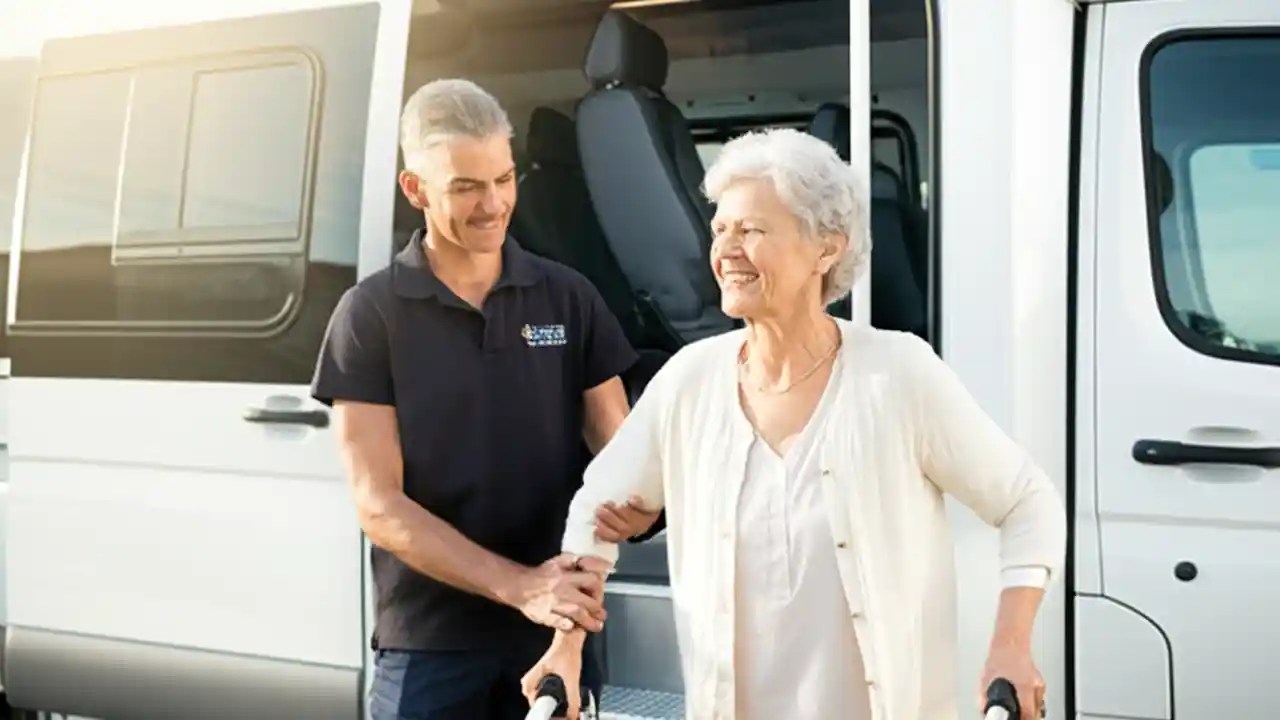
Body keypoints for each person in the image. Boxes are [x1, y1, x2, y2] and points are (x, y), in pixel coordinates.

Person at [522, 128, 1068, 720]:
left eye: (752, 230)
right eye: (719, 229)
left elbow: (1027, 502)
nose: (725, 250)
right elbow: (595, 513)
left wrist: (1011, 646)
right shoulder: (690, 380)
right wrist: (566, 647)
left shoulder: (897, 374)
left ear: (826, 248)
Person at [311, 78, 636, 719]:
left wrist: (644, 510)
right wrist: (519, 586)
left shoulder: (569, 298)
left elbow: (623, 456)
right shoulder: (370, 315)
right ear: (415, 189)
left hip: (554, 639)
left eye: (504, 179)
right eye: (465, 187)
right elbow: (378, 505)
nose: (494, 204)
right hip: (430, 645)